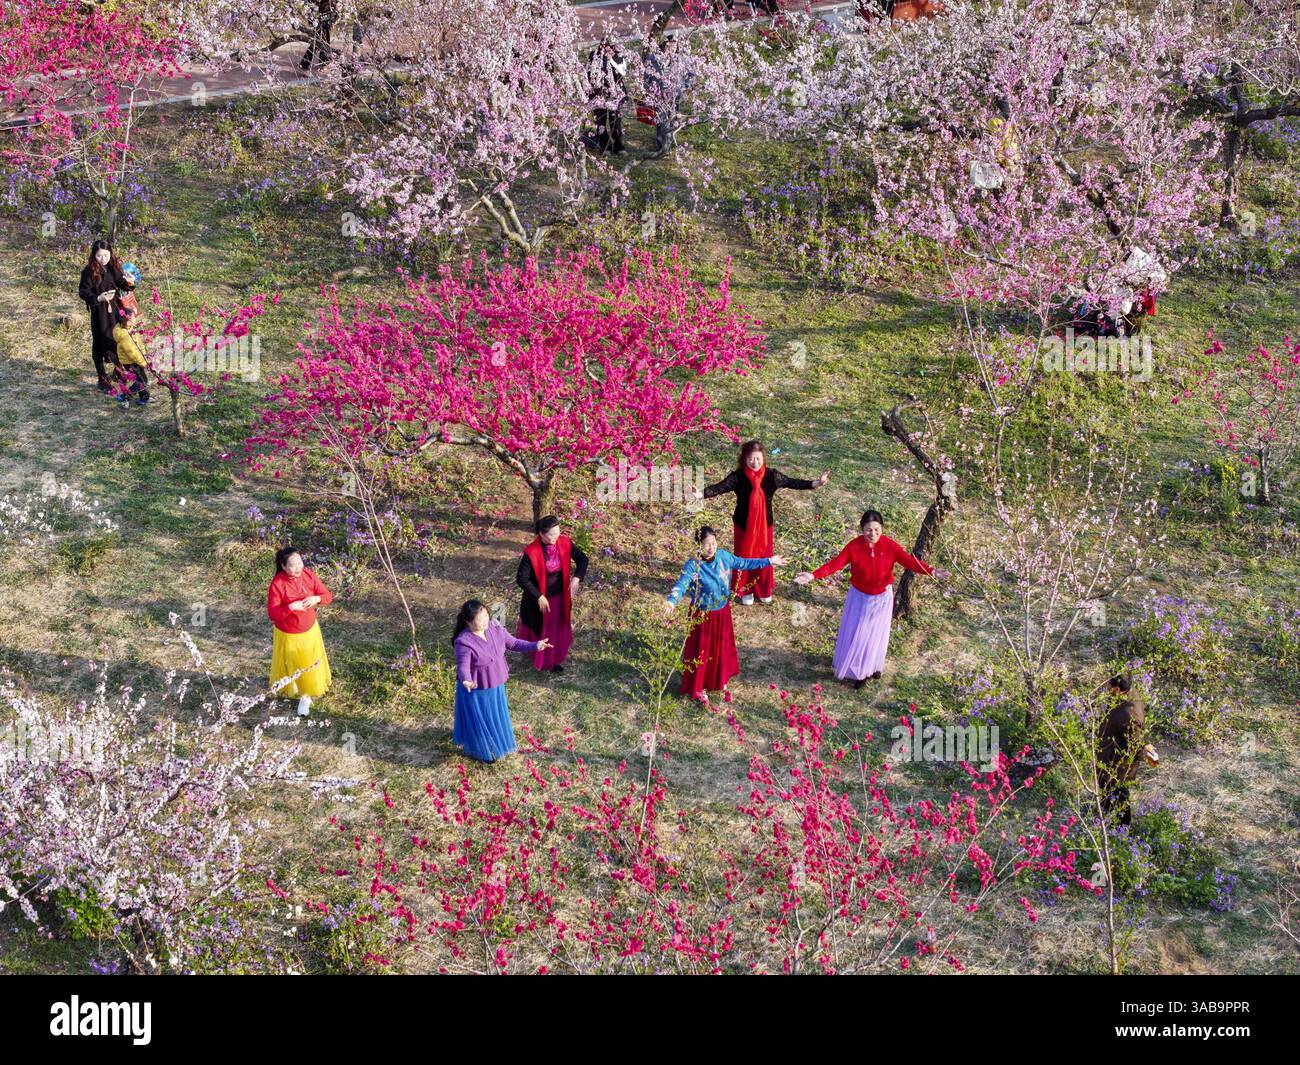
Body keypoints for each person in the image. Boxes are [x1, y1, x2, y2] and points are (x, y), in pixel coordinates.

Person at [795, 510, 942, 689]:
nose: (872, 534)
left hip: (881, 599)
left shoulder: (890, 546)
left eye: (876, 530)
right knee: (860, 634)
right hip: (860, 598)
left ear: (882, 529)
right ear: (862, 529)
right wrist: (813, 575)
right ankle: (859, 671)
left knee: (876, 635)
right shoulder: (854, 547)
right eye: (868, 530)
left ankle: (872, 666)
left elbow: (909, 561)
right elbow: (836, 563)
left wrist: (932, 570)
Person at [663, 526, 788, 704]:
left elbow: (744, 563)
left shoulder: (723, 556)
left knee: (719, 647)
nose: (711, 548)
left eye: (713, 543)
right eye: (707, 544)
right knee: (702, 651)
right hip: (702, 615)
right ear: (699, 545)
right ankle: (698, 687)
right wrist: (671, 601)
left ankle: (717, 680)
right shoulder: (693, 565)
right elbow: (681, 585)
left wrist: (769, 560)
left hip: (722, 612)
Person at [698, 440, 828, 606]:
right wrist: (701, 494)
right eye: (751, 459)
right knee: (744, 557)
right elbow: (719, 487)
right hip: (743, 527)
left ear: (763, 458)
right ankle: (746, 591)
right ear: (744, 459)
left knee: (765, 557)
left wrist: (816, 483)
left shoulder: (771, 476)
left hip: (765, 527)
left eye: (758, 459)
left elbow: (792, 482)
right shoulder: (738, 477)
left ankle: (764, 590)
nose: (755, 463)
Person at [453, 599, 550, 763]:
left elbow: (513, 643)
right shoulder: (464, 642)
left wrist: (536, 645)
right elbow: (463, 666)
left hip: (495, 683)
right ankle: (483, 750)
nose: (485, 621)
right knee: (481, 719)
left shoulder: (495, 627)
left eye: (485, 616)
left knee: (495, 715)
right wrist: (466, 681)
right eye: (480, 619)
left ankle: (495, 742)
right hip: (477, 688)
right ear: (468, 622)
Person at [516, 515, 589, 674]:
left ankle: (554, 659)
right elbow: (521, 578)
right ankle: (542, 658)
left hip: (560, 597)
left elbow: (583, 559)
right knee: (544, 629)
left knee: (557, 628)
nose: (556, 538)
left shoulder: (564, 542)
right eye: (551, 535)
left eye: (558, 533)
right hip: (540, 601)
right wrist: (538, 596)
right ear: (541, 534)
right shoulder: (532, 551)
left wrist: (577, 578)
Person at [267, 546, 334, 716]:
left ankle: (306, 694)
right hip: (288, 633)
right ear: (283, 567)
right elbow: (273, 614)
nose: (298, 567)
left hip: (310, 628)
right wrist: (290, 607)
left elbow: (327, 596)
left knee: (310, 661)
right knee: (293, 661)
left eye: (300, 562)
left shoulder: (309, 575)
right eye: (292, 565)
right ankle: (297, 689)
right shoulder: (278, 583)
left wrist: (317, 598)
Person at [77, 240, 130, 397]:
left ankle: (118, 372)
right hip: (99, 312)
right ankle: (102, 379)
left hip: (115, 310)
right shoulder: (89, 271)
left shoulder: (113, 267)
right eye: (99, 255)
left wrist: (129, 281)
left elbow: (122, 283)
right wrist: (98, 298)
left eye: (106, 255)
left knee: (118, 340)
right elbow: (83, 291)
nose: (103, 259)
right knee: (100, 342)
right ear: (94, 255)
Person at [1097, 673, 1150, 827]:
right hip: (1108, 752)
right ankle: (1105, 817)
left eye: (1109, 686)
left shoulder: (1128, 713)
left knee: (1119, 793)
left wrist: (1143, 750)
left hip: (1116, 762)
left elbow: (1134, 743)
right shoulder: (1131, 694)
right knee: (1107, 789)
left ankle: (1122, 827)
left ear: (1118, 690)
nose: (1106, 687)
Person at [643, 35, 694, 157]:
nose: (675, 45)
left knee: (672, 119)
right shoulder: (653, 58)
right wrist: (652, 91)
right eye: (673, 42)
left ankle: (668, 145)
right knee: (660, 120)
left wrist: (684, 87)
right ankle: (661, 145)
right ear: (666, 43)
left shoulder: (682, 59)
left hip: (674, 94)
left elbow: (691, 75)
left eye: (677, 42)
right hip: (658, 95)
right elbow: (645, 78)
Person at [586, 38, 628, 155]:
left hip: (615, 95)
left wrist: (611, 60)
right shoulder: (594, 56)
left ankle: (619, 146)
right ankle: (605, 146)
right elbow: (588, 73)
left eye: (610, 46)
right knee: (600, 122)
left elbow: (623, 72)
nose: (606, 49)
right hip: (599, 95)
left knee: (615, 122)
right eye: (604, 46)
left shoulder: (619, 56)